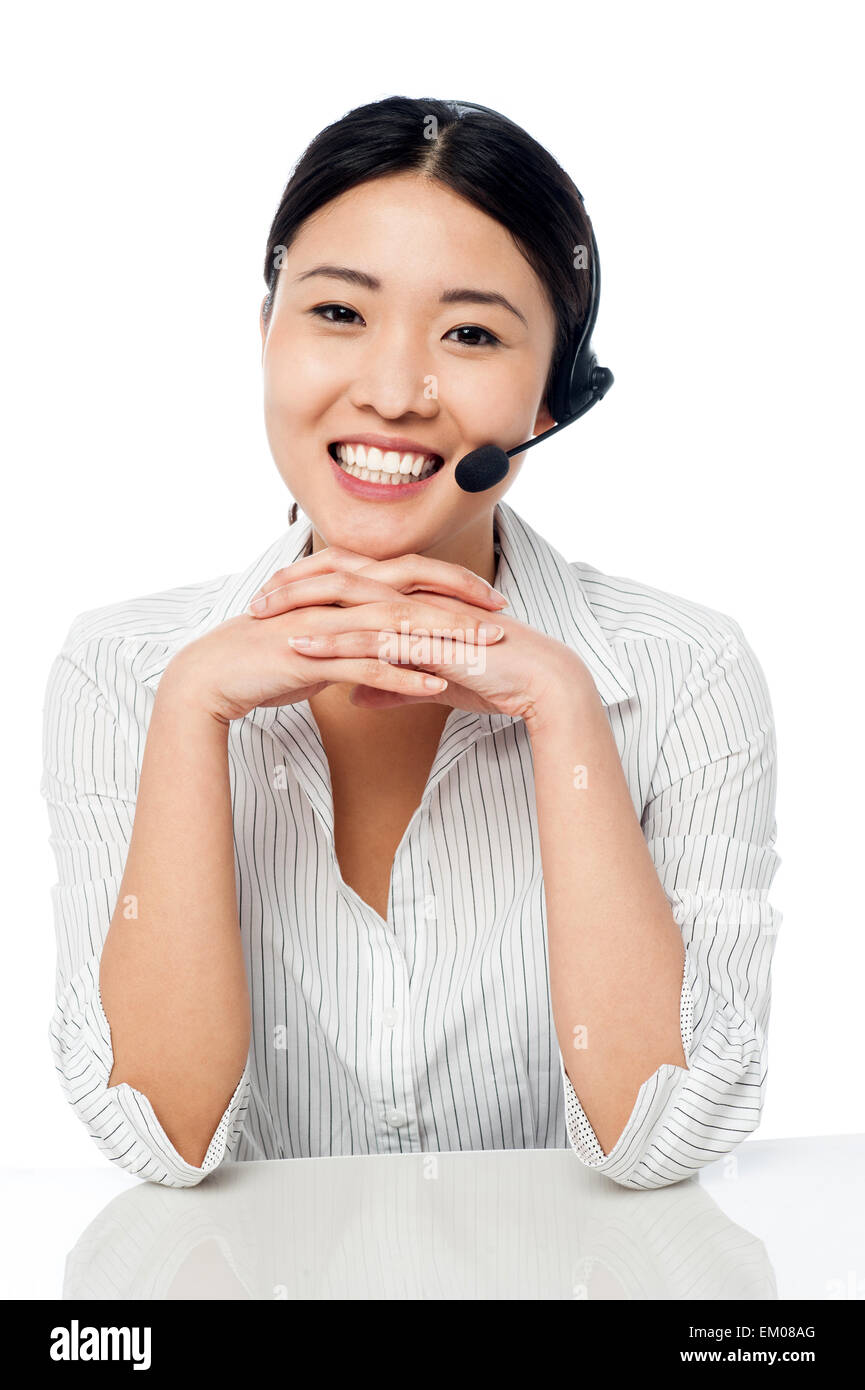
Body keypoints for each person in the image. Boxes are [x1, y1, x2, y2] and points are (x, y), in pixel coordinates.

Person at [41, 95, 781, 1190]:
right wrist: (189, 713)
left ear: (549, 401)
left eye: (471, 333)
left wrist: (563, 712)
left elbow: (658, 1138)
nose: (393, 392)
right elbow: (163, 1140)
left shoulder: (688, 674)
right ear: (266, 335)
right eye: (338, 313)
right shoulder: (122, 675)